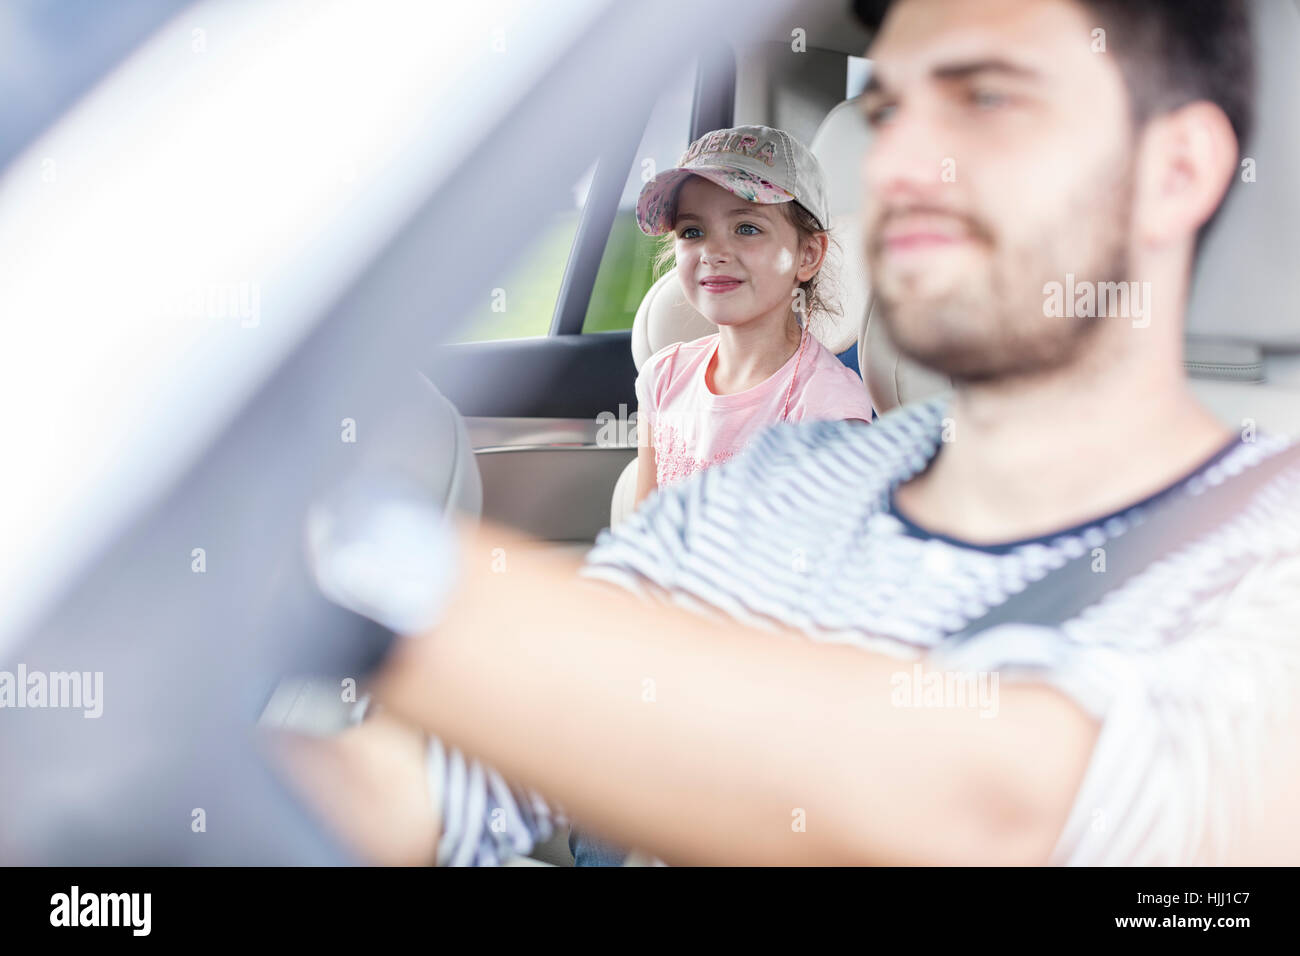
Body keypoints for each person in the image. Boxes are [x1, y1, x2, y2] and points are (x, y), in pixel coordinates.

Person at [276, 0, 1300, 866]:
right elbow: (446, 780)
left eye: (985, 96)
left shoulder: (1272, 552)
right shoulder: (766, 490)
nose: (896, 160)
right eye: (884, 107)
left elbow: (1007, 804)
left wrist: (344, 554)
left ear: (1175, 170)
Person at [630, 125, 874, 511]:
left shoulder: (825, 407)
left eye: (747, 228)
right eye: (692, 231)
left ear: (807, 255)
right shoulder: (663, 378)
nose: (713, 251)